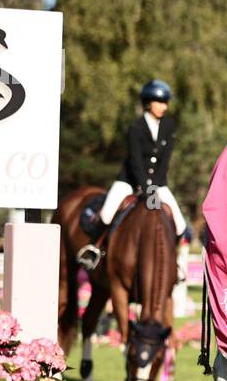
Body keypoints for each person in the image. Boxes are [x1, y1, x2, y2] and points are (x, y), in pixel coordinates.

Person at [80, 79, 188, 270]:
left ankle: (174, 261)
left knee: (180, 224)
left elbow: (164, 162)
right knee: (107, 213)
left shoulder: (168, 127)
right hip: (129, 181)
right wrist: (143, 187)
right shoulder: (136, 127)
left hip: (158, 184)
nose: (164, 106)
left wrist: (153, 188)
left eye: (165, 102)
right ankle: (94, 249)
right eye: (159, 102)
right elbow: (135, 161)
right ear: (148, 103)